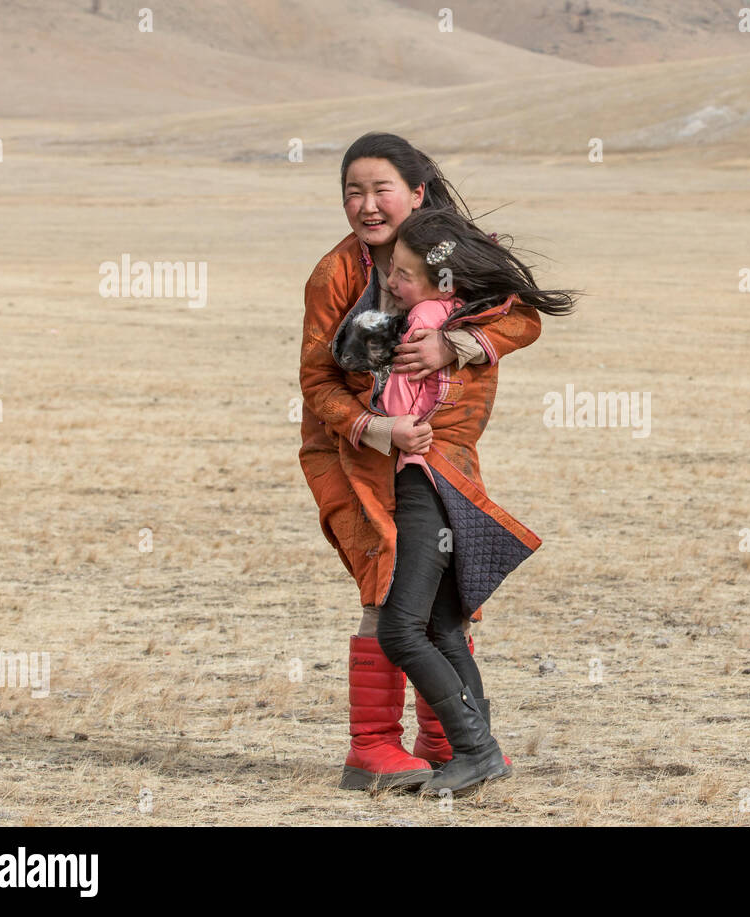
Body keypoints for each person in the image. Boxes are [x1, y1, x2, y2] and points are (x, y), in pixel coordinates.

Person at [298, 132, 542, 790]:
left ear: (417, 192)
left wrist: (454, 345)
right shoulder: (338, 274)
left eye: (381, 189)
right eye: (353, 191)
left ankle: (452, 745)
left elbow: (523, 318)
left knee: (445, 597)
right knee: (388, 586)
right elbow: (318, 385)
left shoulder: (454, 255)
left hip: (442, 453)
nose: (367, 205)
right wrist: (379, 428)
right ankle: (373, 748)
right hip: (356, 449)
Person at [370, 207, 576, 793]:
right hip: (451, 481)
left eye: (402, 275)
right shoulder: (464, 320)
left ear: (440, 281)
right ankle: (481, 754)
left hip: (424, 482)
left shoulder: (426, 321)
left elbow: (396, 408)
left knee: (401, 630)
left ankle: (478, 751)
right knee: (442, 626)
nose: (392, 283)